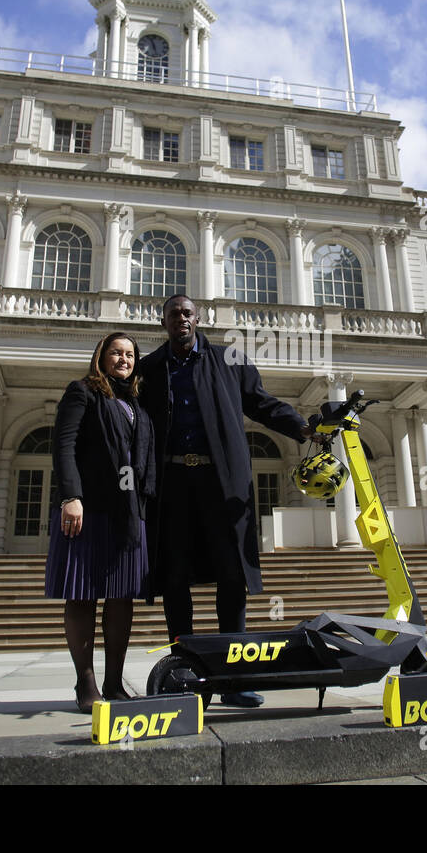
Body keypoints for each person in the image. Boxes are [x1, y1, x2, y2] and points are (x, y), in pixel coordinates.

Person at [139, 295, 320, 708]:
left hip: (222, 482)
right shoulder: (150, 368)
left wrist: (303, 429)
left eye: (187, 313)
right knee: (174, 577)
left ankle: (235, 679)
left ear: (198, 318)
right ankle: (183, 674)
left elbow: (261, 403)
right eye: (173, 314)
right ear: (163, 321)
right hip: (171, 484)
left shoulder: (230, 360)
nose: (180, 319)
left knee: (231, 575)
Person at [46, 332, 156, 714]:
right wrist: (70, 497)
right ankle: (86, 681)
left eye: (129, 354)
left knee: (122, 595)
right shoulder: (83, 392)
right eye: (116, 352)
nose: (123, 359)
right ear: (101, 357)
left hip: (127, 511)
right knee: (82, 594)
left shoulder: (135, 402)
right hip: (88, 508)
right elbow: (64, 444)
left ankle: (114, 681)